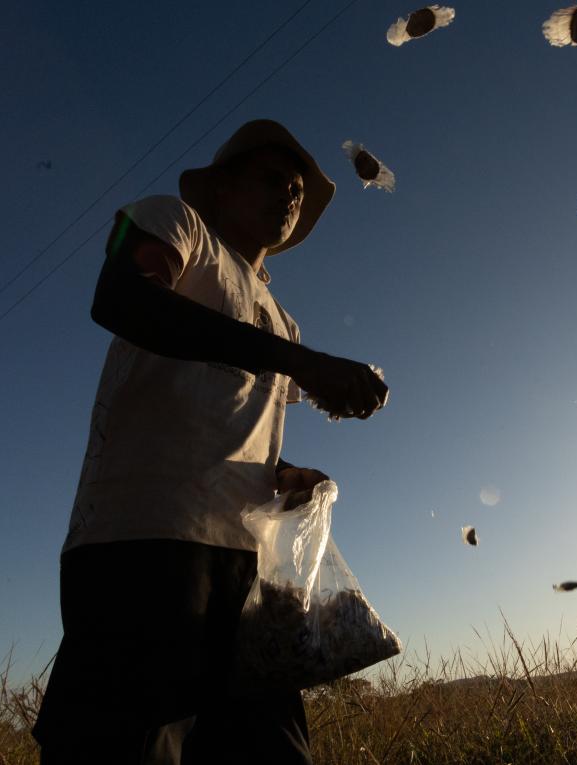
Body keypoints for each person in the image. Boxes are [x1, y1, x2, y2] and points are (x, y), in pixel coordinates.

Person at [31, 119, 388, 764]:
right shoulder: (177, 225)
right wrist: (300, 362)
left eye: (298, 192)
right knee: (127, 745)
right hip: (143, 543)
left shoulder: (282, 318)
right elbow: (122, 298)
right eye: (271, 179)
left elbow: (232, 427)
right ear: (220, 189)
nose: (288, 196)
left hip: (244, 568)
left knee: (267, 750)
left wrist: (283, 477)